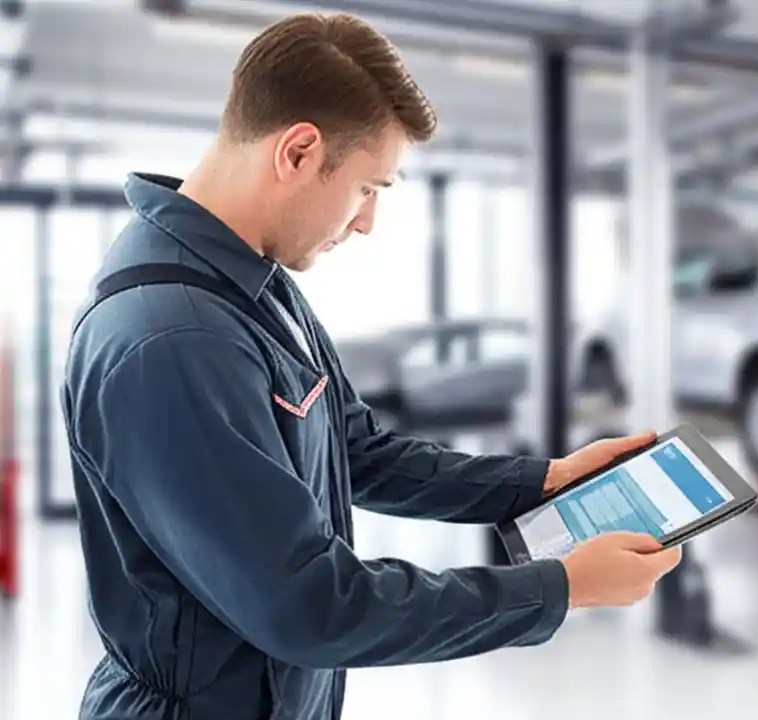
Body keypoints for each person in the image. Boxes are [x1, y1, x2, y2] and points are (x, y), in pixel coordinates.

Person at [61, 13, 681, 720]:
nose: (366, 223)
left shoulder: (254, 287)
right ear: (298, 152)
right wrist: (557, 588)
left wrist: (542, 482)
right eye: (368, 188)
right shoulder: (170, 339)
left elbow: (358, 452)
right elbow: (311, 605)